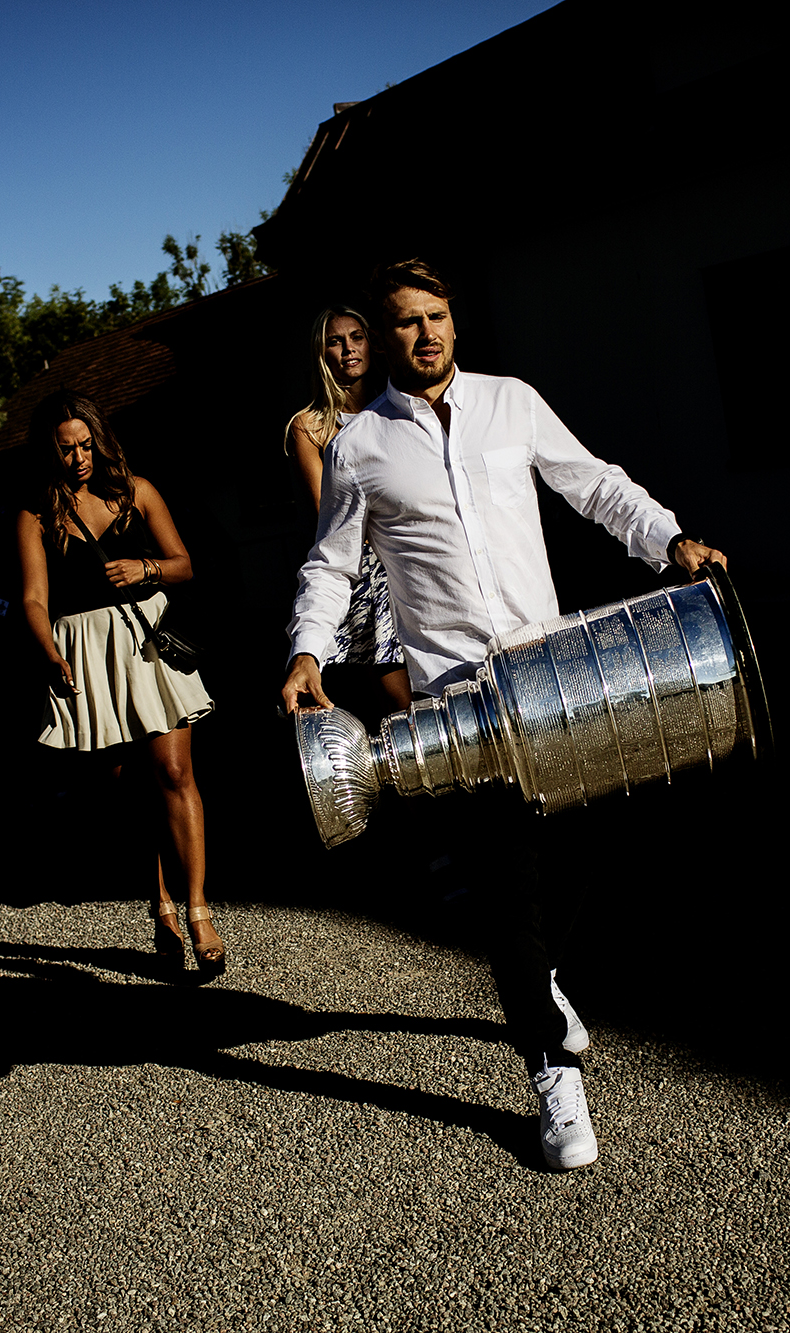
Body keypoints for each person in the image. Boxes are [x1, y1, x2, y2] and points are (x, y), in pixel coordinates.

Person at [279, 260, 728, 1171]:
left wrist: (667, 541)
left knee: (579, 857)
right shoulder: (360, 445)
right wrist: (306, 650)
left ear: (455, 321)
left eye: (435, 317)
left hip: (557, 678)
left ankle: (542, 985)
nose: (424, 335)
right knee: (505, 886)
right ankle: (551, 1071)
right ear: (385, 336)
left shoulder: (511, 402)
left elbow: (593, 484)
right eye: (404, 323)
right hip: (456, 701)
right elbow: (330, 565)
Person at [16, 391, 223, 972]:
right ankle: (159, 905)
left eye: (85, 445)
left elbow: (185, 563)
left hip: (146, 641)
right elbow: (33, 597)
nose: (78, 457)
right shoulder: (36, 516)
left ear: (98, 441)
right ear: (48, 451)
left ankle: (199, 909)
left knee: (176, 772)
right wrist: (48, 650)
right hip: (84, 653)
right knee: (127, 789)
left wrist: (145, 568)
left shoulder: (137, 491)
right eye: (65, 449)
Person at [285, 307, 411, 713]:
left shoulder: (398, 407)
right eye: (335, 342)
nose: (348, 349)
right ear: (321, 354)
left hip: (415, 553)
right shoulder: (309, 427)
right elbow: (331, 514)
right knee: (403, 707)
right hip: (364, 572)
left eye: (356, 337)